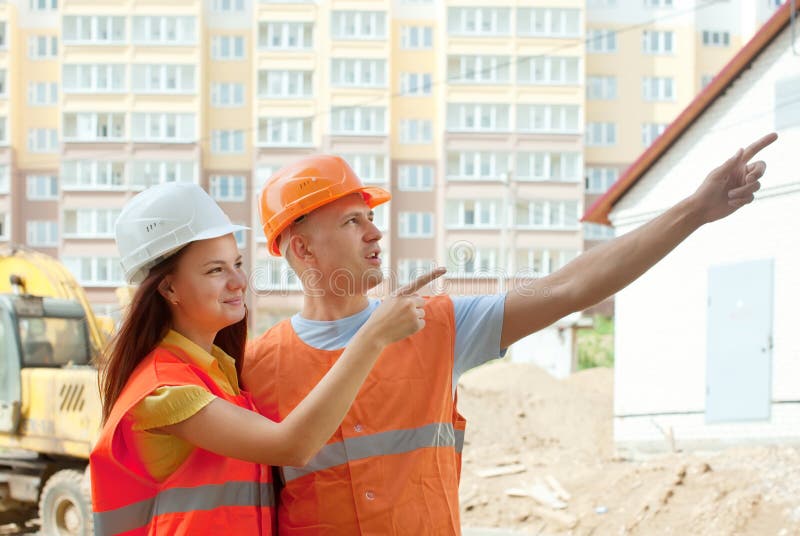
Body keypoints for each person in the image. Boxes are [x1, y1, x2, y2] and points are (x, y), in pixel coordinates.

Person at [243, 132, 778, 535]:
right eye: (351, 221)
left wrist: (692, 212)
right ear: (302, 249)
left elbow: (569, 287)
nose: (375, 230)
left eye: (369, 217)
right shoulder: (253, 368)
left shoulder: (435, 325)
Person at [89, 182, 442, 535]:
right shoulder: (164, 390)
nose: (239, 281)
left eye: (238, 263)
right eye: (216, 270)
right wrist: (373, 336)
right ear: (168, 289)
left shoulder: (219, 374)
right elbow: (292, 445)